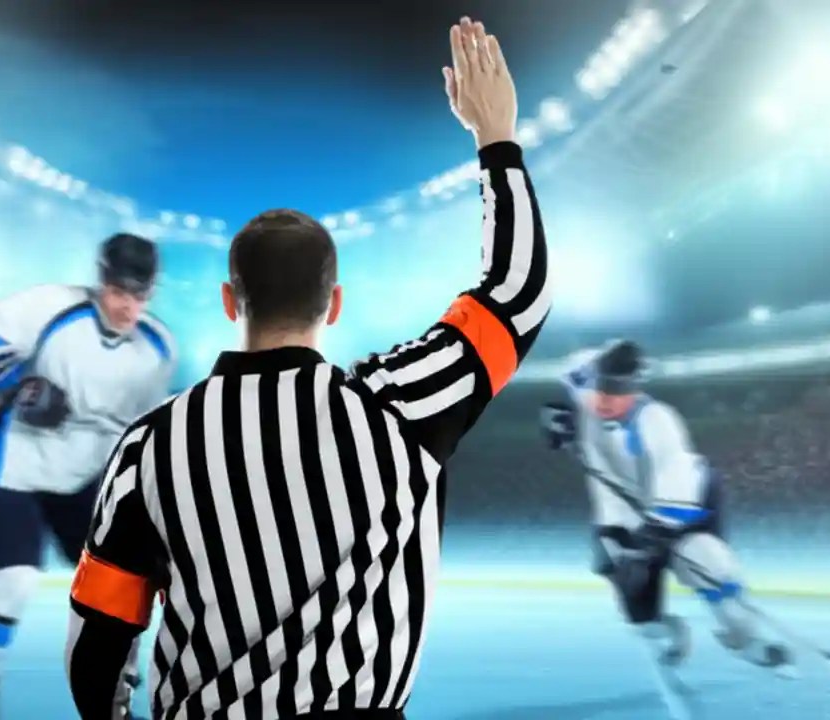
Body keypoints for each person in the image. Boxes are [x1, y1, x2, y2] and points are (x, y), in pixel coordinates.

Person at [64, 18, 550, 719]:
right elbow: (517, 293)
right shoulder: (399, 407)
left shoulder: (150, 448)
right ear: (335, 302)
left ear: (232, 302)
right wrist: (496, 139)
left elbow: (98, 641)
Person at [0, 233, 176, 720]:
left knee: (126, 585)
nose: (128, 306)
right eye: (120, 292)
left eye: (140, 296)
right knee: (11, 584)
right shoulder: (54, 307)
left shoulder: (157, 349)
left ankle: (116, 698)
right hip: (17, 467)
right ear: (101, 281)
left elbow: (142, 430)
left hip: (86, 480)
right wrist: (20, 387)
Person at [540, 339, 796, 718]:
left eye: (618, 392)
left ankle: (746, 636)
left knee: (704, 561)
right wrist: (555, 419)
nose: (605, 401)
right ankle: (663, 632)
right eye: (600, 389)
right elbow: (567, 390)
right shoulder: (586, 380)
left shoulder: (659, 422)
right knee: (627, 581)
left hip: (681, 505)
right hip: (619, 514)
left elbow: (679, 478)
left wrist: (658, 530)